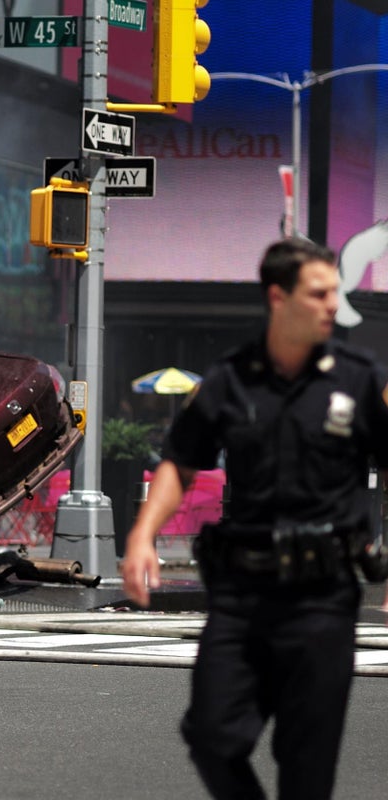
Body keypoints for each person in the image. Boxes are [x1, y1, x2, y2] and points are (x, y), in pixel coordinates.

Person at [122, 237, 388, 799]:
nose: (331, 306)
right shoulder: (228, 379)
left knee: (306, 769)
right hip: (242, 597)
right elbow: (180, 463)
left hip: (323, 600)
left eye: (335, 293)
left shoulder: (358, 379)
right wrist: (144, 534)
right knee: (211, 735)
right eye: (319, 294)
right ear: (278, 297)